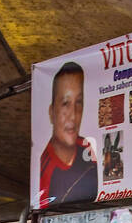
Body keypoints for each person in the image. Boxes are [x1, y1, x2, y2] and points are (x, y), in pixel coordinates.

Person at [38, 62, 99, 208]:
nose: (73, 115)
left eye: (78, 102)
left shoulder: (86, 147)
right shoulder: (43, 167)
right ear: (52, 112)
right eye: (65, 103)